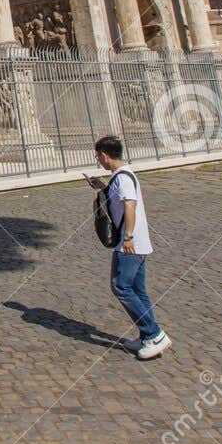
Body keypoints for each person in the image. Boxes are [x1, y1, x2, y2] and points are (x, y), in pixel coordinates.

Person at [94, 135, 170, 360]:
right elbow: (119, 200)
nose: (99, 160)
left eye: (99, 156)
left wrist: (127, 237)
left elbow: (130, 205)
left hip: (130, 244)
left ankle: (155, 334)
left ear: (105, 155)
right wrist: (102, 188)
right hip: (137, 243)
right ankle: (147, 336)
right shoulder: (120, 177)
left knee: (120, 286)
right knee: (138, 290)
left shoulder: (124, 178)